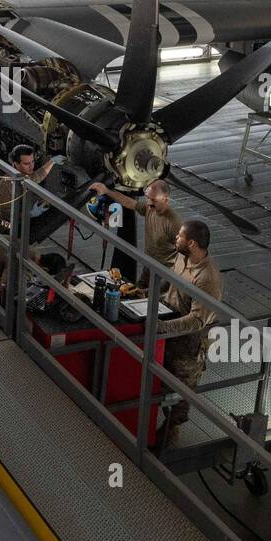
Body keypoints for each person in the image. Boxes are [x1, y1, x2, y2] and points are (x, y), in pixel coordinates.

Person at [158, 218, 223, 451]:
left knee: (179, 392)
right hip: (170, 330)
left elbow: (197, 320)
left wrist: (162, 327)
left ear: (192, 243)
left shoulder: (207, 279)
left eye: (180, 236)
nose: (176, 238)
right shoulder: (182, 257)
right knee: (159, 381)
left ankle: (168, 438)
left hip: (189, 344)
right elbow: (170, 287)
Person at [88, 179, 182, 285]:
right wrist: (107, 191)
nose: (149, 203)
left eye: (154, 200)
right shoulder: (150, 208)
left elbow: (186, 254)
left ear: (165, 199)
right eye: (148, 198)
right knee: (138, 290)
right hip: (148, 268)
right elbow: (129, 203)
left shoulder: (173, 222)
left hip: (164, 274)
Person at [0, 143, 57, 231]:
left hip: (23, 220)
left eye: (33, 162)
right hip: (9, 227)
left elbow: (36, 177)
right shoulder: (6, 184)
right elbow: (6, 214)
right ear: (16, 164)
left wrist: (52, 162)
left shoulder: (22, 174)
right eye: (27, 163)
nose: (32, 166)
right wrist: (30, 214)